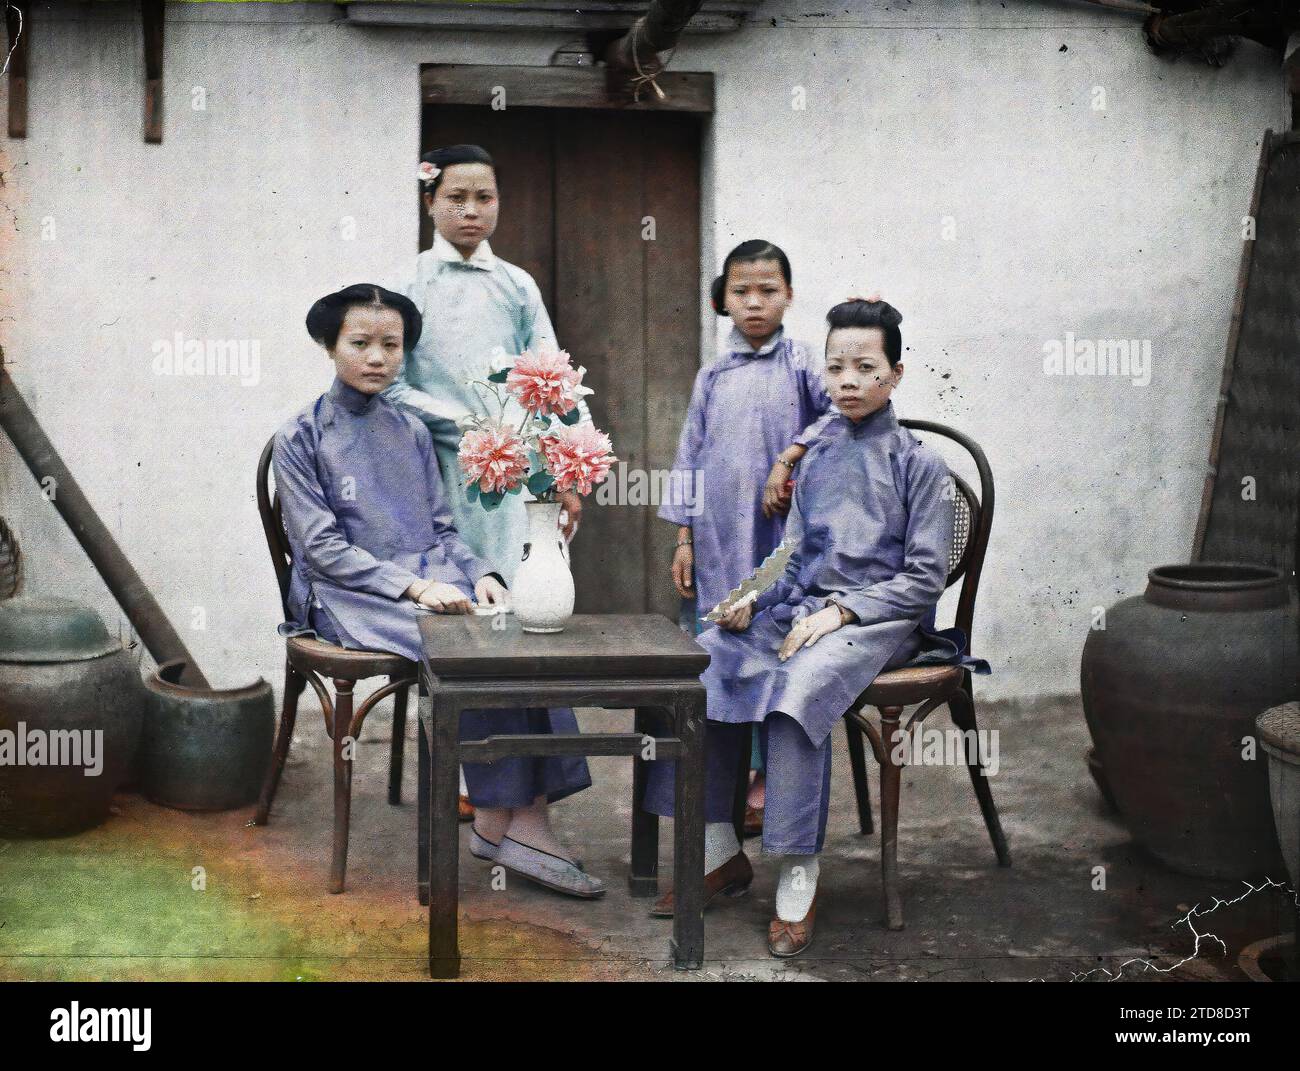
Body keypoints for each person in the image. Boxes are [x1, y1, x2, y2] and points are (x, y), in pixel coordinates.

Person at [643, 298, 987, 956]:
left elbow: (921, 578)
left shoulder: (919, 466)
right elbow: (793, 554)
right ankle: (718, 851)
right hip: (805, 610)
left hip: (882, 622)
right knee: (700, 661)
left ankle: (798, 873)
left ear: (897, 372)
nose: (849, 380)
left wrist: (839, 611)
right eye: (836, 367)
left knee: (800, 691)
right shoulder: (819, 455)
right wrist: (749, 595)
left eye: (866, 366)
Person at [274, 283, 604, 898]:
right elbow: (322, 551)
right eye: (360, 343)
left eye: (391, 345)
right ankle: (513, 823)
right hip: (347, 595)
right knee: (470, 652)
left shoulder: (412, 430)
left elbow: (443, 528)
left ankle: (511, 820)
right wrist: (414, 587)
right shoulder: (301, 436)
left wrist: (480, 572)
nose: (377, 357)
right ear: (330, 345)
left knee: (517, 634)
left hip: (431, 582)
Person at [658, 240, 833, 836]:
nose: (754, 303)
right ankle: (719, 796)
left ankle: (764, 778)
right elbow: (689, 454)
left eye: (768, 290)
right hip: (717, 533)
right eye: (741, 292)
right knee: (718, 650)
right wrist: (684, 537)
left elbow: (838, 416)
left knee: (769, 643)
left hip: (778, 532)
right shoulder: (714, 374)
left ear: (788, 294)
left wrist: (791, 457)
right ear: (722, 300)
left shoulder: (805, 364)